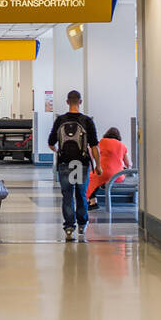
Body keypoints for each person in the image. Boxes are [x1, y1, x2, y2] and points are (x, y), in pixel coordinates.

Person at [48, 90, 100, 240]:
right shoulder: (87, 121)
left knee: (67, 196)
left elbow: (51, 143)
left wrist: (59, 151)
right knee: (81, 194)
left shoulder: (60, 120)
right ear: (80, 102)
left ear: (67, 102)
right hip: (82, 163)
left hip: (65, 163)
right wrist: (98, 164)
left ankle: (69, 227)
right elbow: (95, 145)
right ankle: (82, 224)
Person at [87, 127, 130, 210]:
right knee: (96, 178)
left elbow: (91, 156)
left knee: (90, 178)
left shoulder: (101, 142)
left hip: (103, 173)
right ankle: (93, 201)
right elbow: (128, 164)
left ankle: (93, 202)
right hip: (117, 176)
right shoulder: (122, 146)